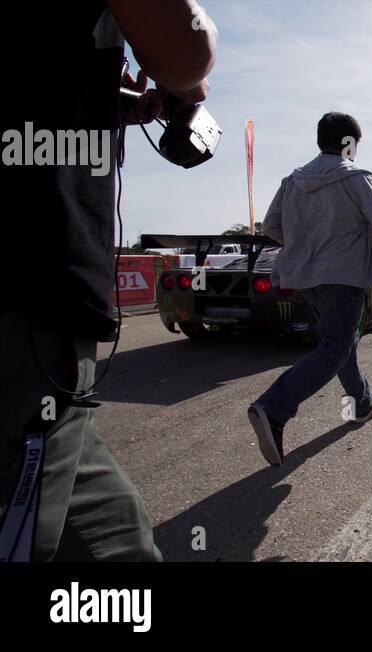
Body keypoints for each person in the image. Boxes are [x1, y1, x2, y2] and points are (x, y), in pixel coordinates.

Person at [0, 0, 217, 561]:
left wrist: (121, 105)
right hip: (28, 296)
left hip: (47, 349)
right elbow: (188, 50)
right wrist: (191, 84)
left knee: (118, 541)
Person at [248, 112, 372, 467]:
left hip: (306, 278)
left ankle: (360, 401)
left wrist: (305, 243)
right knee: (334, 348)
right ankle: (274, 407)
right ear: (349, 143)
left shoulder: (293, 181)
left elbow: (271, 225)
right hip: (343, 275)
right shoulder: (357, 177)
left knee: (341, 342)